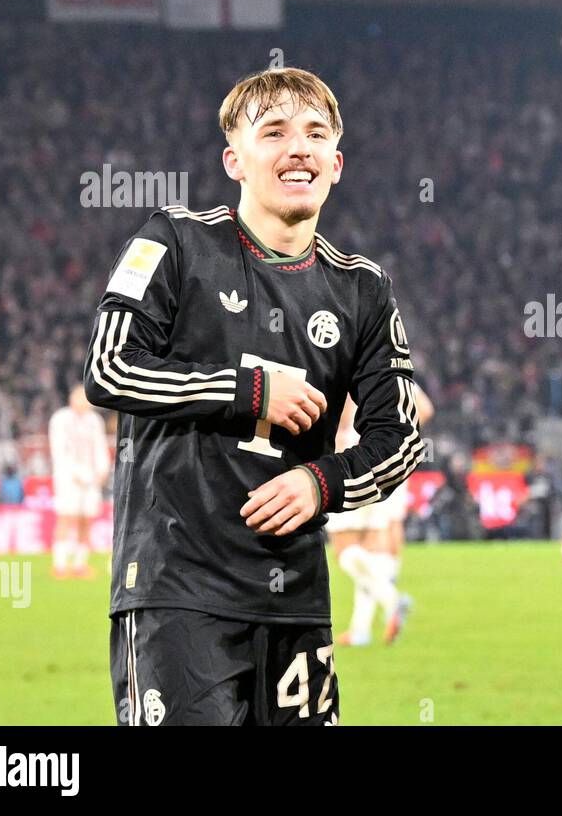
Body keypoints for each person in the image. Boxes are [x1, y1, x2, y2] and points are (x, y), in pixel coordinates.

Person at [83, 67, 423, 725]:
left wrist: (321, 484)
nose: (299, 148)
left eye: (315, 134)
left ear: (337, 163)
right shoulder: (175, 242)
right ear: (234, 160)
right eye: (275, 132)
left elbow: (398, 438)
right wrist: (249, 389)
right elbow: (110, 368)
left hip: (293, 598)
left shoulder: (363, 291)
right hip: (179, 592)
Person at [329, 386, 432, 646]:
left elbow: (340, 415)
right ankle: (360, 629)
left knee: (345, 550)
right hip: (380, 463)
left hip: (349, 463)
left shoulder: (343, 362)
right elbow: (425, 408)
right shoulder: (388, 368)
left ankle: (391, 599)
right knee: (371, 551)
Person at [48, 386, 109, 578]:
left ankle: (79, 565)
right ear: (72, 399)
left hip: (91, 477)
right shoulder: (61, 419)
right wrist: (71, 472)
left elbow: (100, 446)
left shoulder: (94, 421)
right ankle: (59, 565)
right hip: (68, 477)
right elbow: (58, 449)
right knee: (66, 517)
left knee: (86, 520)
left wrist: (102, 471)